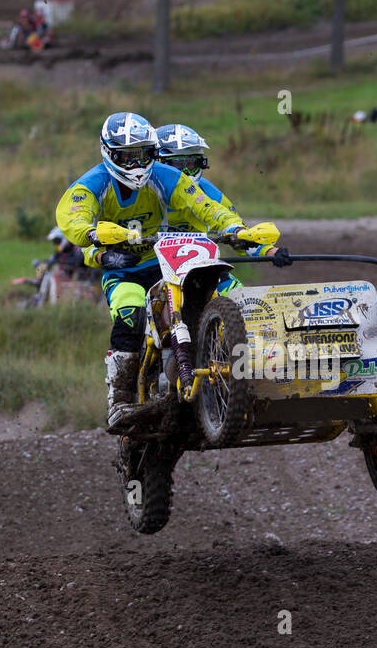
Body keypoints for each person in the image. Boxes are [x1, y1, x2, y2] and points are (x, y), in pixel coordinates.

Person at [55, 112, 285, 429]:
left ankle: (250, 370)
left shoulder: (167, 177)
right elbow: (73, 212)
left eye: (143, 155)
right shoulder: (95, 182)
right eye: (128, 157)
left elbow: (208, 206)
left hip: (175, 266)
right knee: (131, 314)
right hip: (127, 273)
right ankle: (119, 398)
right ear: (110, 153)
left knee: (232, 296)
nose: (137, 165)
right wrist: (94, 238)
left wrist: (236, 230)